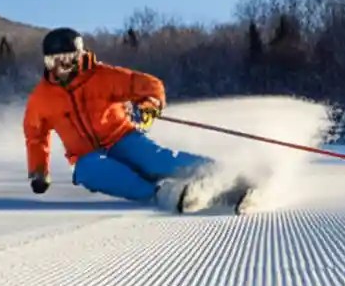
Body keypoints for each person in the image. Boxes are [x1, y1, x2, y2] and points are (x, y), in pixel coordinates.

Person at [22, 27, 211, 212]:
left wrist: (149, 105)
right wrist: (39, 171)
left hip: (122, 138)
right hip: (87, 156)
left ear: (78, 56)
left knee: (154, 161)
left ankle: (215, 173)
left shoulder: (102, 76)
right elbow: (36, 136)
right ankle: (160, 193)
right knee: (88, 171)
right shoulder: (41, 98)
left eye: (66, 61)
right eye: (52, 62)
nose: (60, 69)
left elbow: (150, 85)